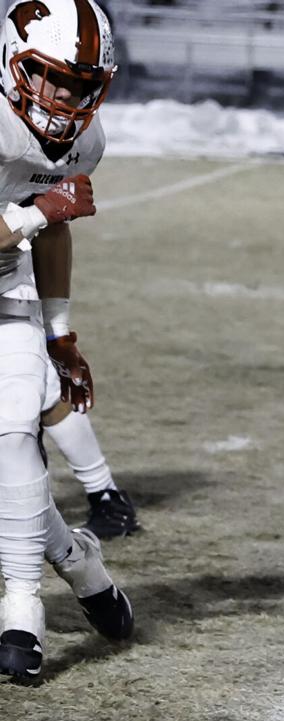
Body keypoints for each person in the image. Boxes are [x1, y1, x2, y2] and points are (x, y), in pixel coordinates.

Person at [0, 0, 133, 680]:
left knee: (13, 437)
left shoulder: (85, 141)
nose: (64, 97)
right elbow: (44, 213)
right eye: (52, 78)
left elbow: (52, 229)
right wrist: (40, 209)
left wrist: (59, 333)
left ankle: (21, 614)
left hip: (6, 298)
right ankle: (81, 564)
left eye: (81, 86)